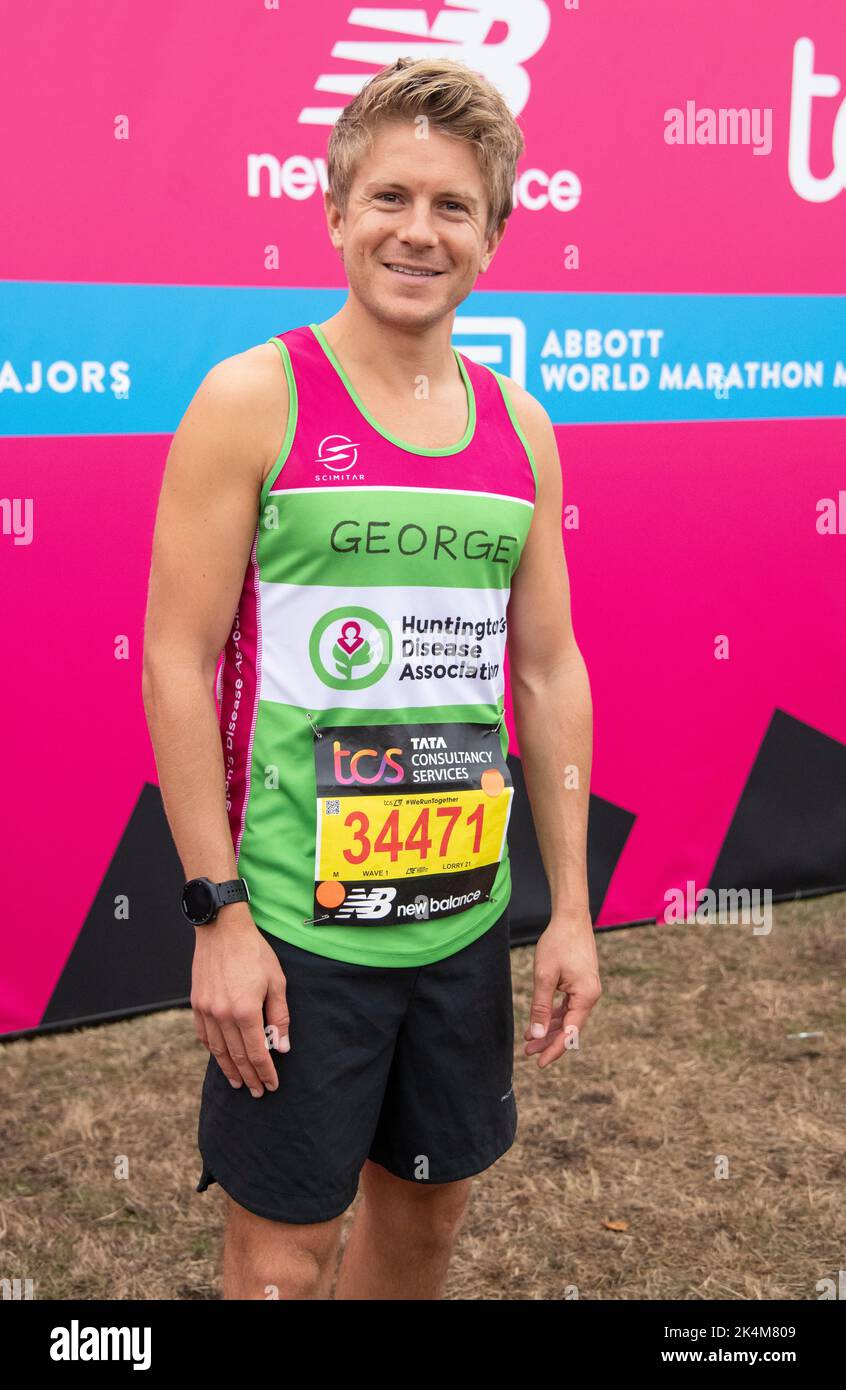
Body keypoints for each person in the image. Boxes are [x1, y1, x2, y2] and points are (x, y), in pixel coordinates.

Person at [142, 54, 599, 1301]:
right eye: (390, 197)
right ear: (336, 210)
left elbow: (549, 669)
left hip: (462, 929)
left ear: (495, 236)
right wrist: (217, 914)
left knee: (426, 1228)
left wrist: (567, 909)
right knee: (285, 1256)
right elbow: (176, 662)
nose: (419, 230)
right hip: (298, 934)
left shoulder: (522, 426)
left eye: (454, 206)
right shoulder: (252, 400)